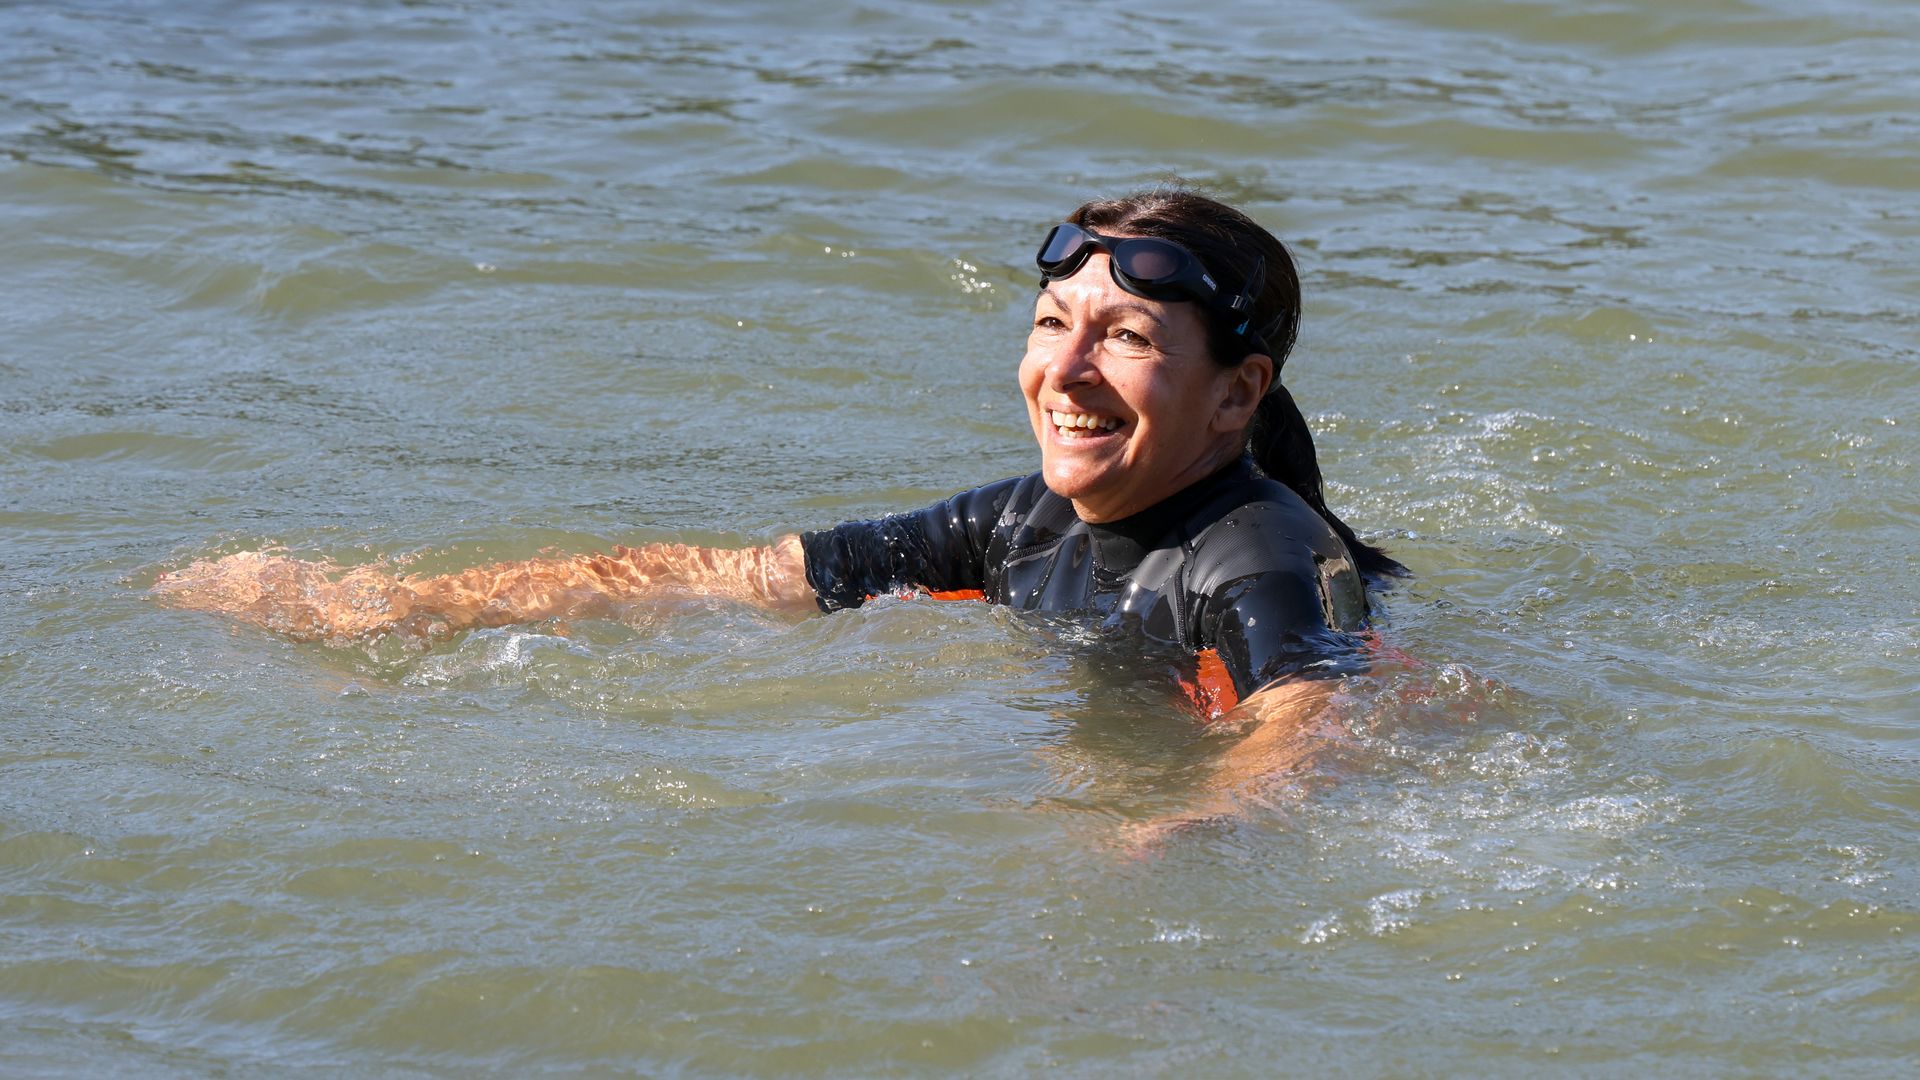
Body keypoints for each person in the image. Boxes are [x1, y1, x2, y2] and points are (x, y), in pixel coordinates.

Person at [157, 187, 1404, 822]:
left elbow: (1314, 721)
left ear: (1239, 398)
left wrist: (1195, 829)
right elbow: (746, 575)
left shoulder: (1260, 554)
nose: (1063, 374)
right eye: (1048, 326)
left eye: (1122, 337)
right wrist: (407, 607)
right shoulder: (1023, 521)